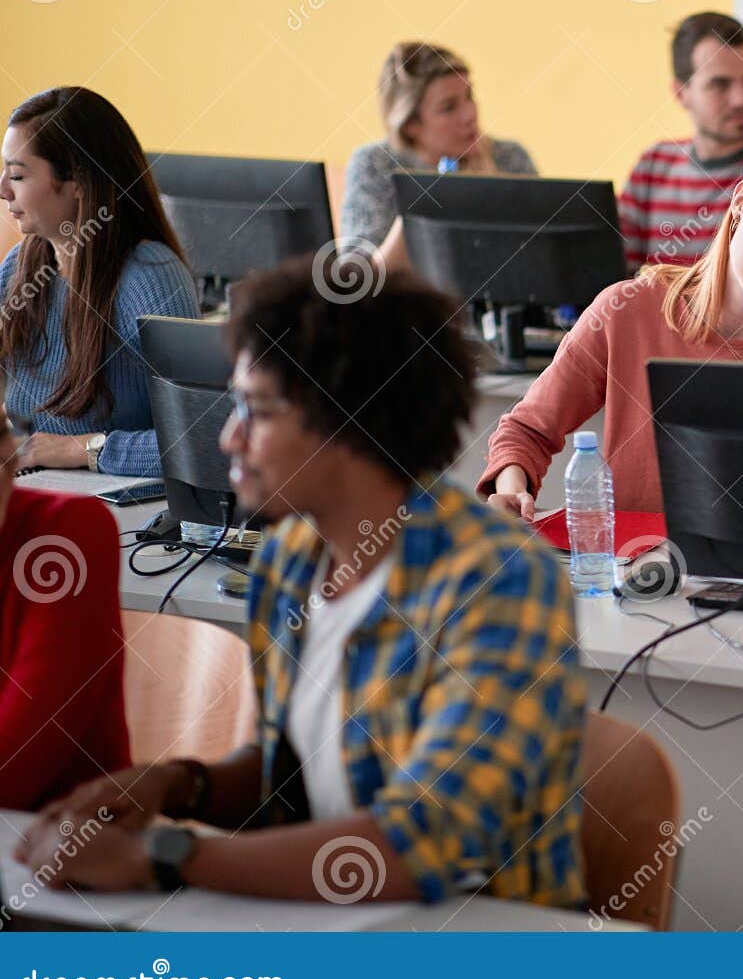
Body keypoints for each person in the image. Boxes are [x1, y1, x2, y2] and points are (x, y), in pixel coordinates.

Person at [17, 256, 586, 908]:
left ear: (347, 424)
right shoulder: (291, 558)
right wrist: (176, 786)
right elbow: (288, 778)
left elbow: (420, 845)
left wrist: (166, 855)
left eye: (255, 410)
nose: (228, 437)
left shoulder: (498, 581)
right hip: (335, 925)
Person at [483, 146, 743, 519]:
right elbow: (528, 431)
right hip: (636, 578)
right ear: (741, 202)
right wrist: (512, 488)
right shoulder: (630, 309)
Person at [0, 87, 200, 477]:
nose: (3, 189)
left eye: (18, 175)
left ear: (77, 181)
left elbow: (200, 436)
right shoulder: (20, 266)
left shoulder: (148, 277)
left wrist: (84, 448)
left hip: (119, 503)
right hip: (39, 485)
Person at [0, 377, 130, 810]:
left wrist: (85, 448)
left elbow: (14, 768)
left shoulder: (63, 540)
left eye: (2, 433)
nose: (6, 458)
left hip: (51, 853)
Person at [617, 11, 743, 270]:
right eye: (720, 85)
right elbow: (620, 279)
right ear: (681, 94)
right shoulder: (654, 164)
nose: (742, 99)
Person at [341, 41, 536, 270]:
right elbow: (361, 282)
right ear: (410, 125)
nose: (470, 114)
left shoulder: (509, 158)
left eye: (469, 96)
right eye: (448, 107)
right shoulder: (375, 165)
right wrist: (427, 199)